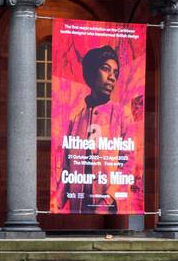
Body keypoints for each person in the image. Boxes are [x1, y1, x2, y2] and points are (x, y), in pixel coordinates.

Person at [54, 44, 135, 214]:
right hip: (79, 207)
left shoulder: (122, 114)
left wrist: (107, 200)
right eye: (106, 69)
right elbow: (67, 165)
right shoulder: (76, 117)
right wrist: (58, 202)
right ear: (92, 72)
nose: (112, 77)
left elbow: (127, 164)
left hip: (108, 208)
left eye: (115, 73)